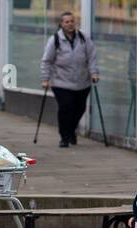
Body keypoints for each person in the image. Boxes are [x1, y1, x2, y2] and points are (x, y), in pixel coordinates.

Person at [40, 11, 99, 148]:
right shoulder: (55, 40)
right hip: (61, 82)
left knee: (80, 108)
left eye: (72, 21)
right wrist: (45, 79)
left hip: (82, 82)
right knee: (65, 108)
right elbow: (46, 61)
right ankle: (64, 137)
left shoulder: (84, 38)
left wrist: (94, 73)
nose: (70, 24)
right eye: (66, 22)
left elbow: (92, 57)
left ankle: (71, 130)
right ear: (61, 24)